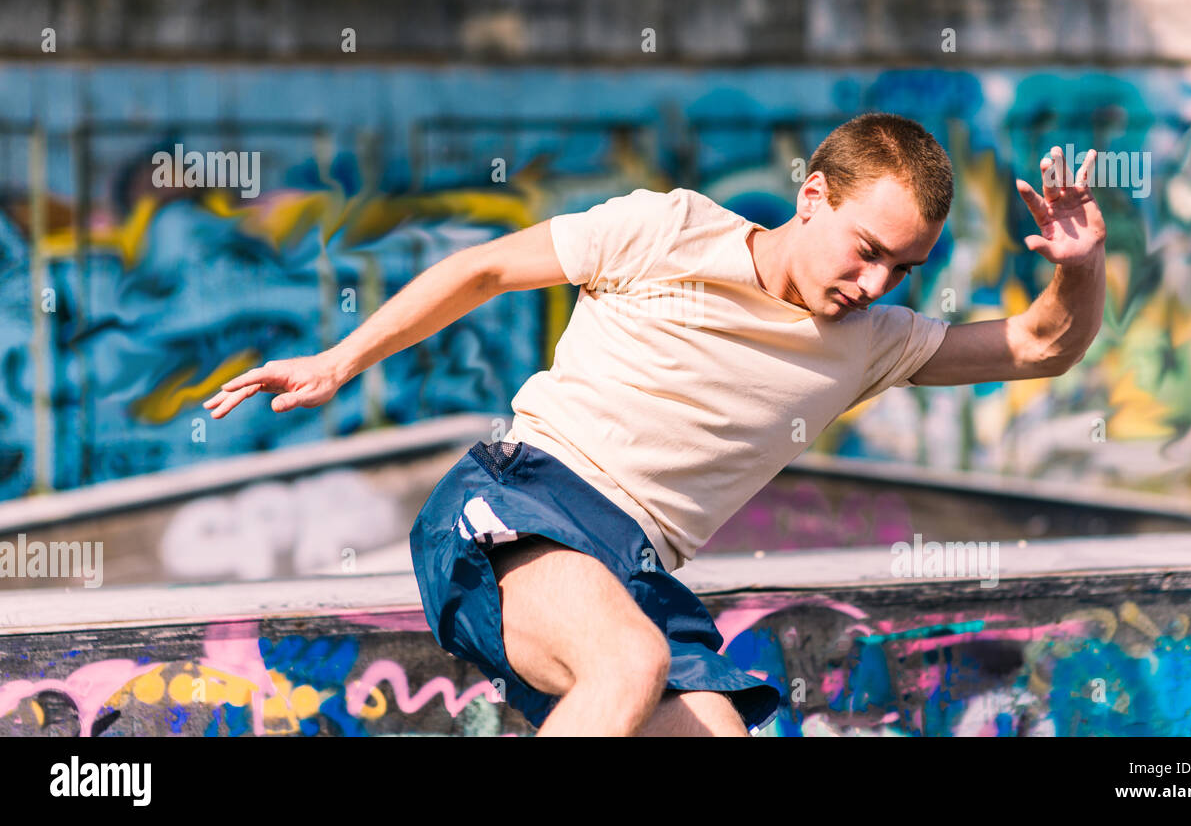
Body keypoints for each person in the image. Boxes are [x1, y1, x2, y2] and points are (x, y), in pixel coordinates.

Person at [204, 112, 1107, 736]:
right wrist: (340, 359)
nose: (874, 284)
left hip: (636, 566)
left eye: (902, 270)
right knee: (627, 663)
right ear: (814, 196)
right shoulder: (666, 230)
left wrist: (1081, 265)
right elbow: (482, 270)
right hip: (517, 501)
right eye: (867, 251)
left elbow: (1041, 344)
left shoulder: (872, 342)